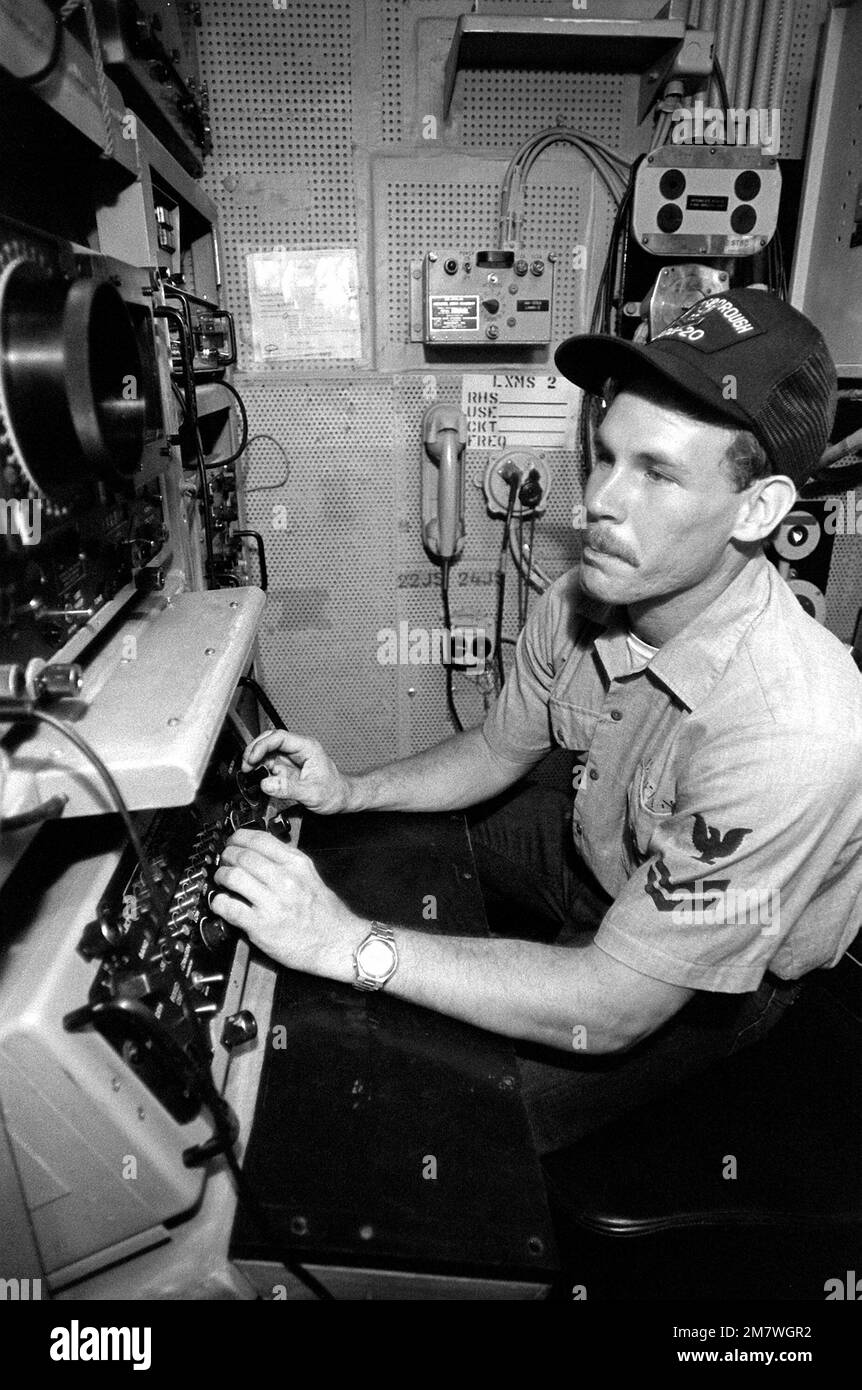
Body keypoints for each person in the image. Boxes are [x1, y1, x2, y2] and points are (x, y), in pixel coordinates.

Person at [212, 288, 862, 1154]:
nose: (599, 501)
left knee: (447, 1129)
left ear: (758, 511)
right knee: (368, 846)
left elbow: (614, 1006)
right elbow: (492, 749)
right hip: (598, 852)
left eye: (657, 473)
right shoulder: (583, 598)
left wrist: (347, 945)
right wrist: (349, 790)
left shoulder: (795, 733)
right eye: (604, 457)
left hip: (707, 983)